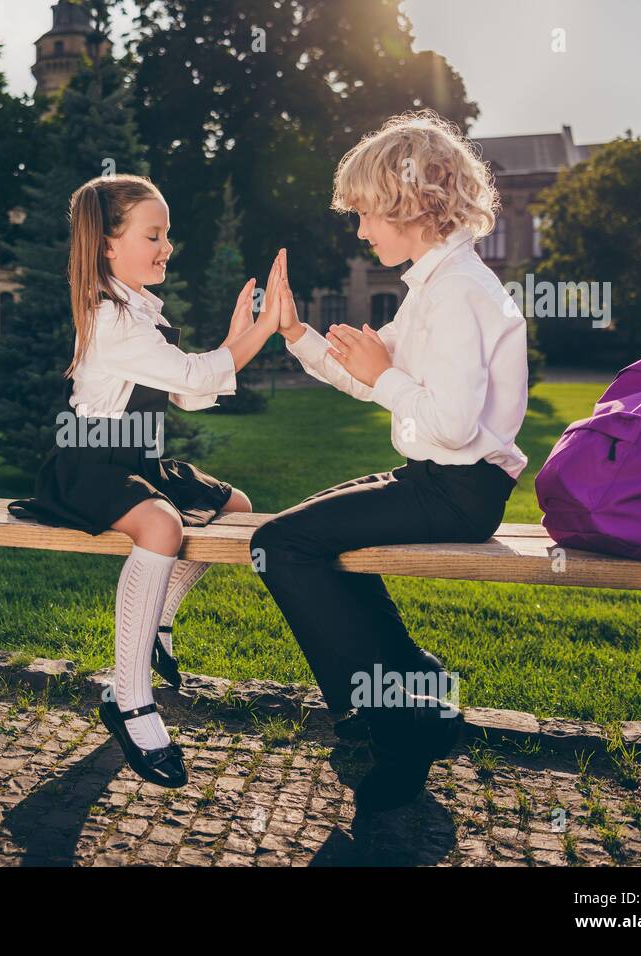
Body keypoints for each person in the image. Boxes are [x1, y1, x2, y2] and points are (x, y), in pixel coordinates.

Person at [251, 110, 530, 813]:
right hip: (440, 479)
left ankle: (384, 723)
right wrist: (298, 334)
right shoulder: (436, 286)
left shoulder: (461, 293)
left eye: (366, 213)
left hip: (461, 487)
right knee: (309, 539)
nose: (360, 230)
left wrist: (385, 376)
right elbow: (366, 373)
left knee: (280, 543)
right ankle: (420, 689)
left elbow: (452, 422)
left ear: (412, 205)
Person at [9, 173, 291, 787]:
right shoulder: (113, 317)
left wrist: (240, 333)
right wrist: (264, 329)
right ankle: (130, 698)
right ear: (109, 245)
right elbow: (193, 378)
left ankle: (157, 620)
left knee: (237, 506)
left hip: (133, 459)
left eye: (168, 235)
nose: (167, 247)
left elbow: (190, 393)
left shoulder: (139, 309)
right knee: (162, 525)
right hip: (88, 460)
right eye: (153, 235)